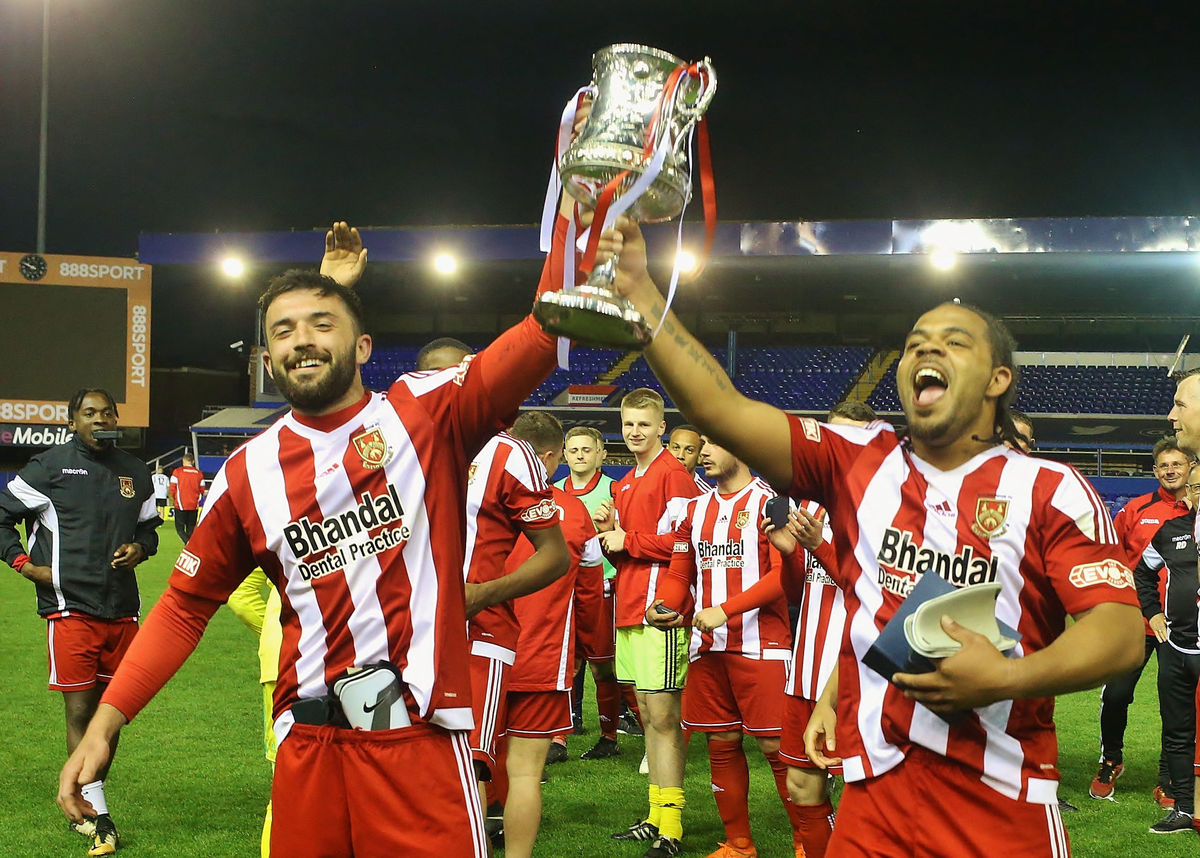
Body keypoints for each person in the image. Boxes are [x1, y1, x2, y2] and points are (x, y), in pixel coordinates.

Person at [596, 216, 1145, 857]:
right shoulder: (856, 458)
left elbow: (1119, 633)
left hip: (997, 799)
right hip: (872, 797)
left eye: (954, 342)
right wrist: (637, 289)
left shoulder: (1050, 488)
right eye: (914, 344)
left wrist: (1002, 678)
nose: (926, 351)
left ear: (999, 380)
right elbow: (720, 409)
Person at [56, 214, 567, 855]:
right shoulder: (248, 473)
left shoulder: (428, 415)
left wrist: (582, 218)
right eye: (284, 331)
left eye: (323, 325)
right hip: (308, 746)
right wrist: (107, 720)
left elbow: (541, 335)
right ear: (268, 361)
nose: (302, 340)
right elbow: (185, 605)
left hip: (419, 744)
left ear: (363, 346)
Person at [413, 336, 570, 819]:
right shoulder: (390, 443)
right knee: (407, 768)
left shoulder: (510, 452)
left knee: (468, 772)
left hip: (475, 636)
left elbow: (556, 556)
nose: (446, 386)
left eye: (457, 374)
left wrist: (483, 594)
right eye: (432, 377)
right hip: (402, 634)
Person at [0, 388, 159, 856]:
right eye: (89, 414)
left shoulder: (134, 472)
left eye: (107, 413)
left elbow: (148, 526)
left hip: (123, 609)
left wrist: (142, 547)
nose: (99, 419)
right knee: (80, 710)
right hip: (69, 608)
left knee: (112, 715)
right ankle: (93, 809)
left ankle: (89, 796)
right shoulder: (50, 467)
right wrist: (25, 566)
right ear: (73, 422)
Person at [648, 435, 796, 858]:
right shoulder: (693, 510)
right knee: (721, 741)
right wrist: (664, 606)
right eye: (702, 444)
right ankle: (739, 844)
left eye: (714, 443)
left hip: (761, 646)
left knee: (775, 746)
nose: (705, 451)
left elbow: (782, 578)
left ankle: (806, 842)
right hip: (708, 647)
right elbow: (680, 575)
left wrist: (725, 610)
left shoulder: (771, 504)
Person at [595, 387, 700, 858]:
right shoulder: (626, 481)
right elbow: (627, 542)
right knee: (647, 713)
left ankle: (672, 827)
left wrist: (625, 538)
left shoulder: (672, 474)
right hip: (630, 607)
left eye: (643, 424)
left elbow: (686, 541)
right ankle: (656, 816)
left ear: (661, 427)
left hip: (661, 611)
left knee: (663, 716)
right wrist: (608, 535)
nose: (634, 432)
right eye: (628, 424)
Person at [503, 411, 603, 858]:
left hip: (479, 654)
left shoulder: (479, 503)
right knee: (525, 773)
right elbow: (590, 593)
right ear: (550, 455)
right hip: (543, 657)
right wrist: (595, 649)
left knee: (464, 764)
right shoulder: (575, 511)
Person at [1089, 437, 1189, 803]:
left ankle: (1169, 778)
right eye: (1164, 465)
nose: (1171, 471)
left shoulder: (1196, 512)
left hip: (1181, 626)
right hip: (1136, 620)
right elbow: (1111, 557)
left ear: (1190, 467)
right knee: (1116, 694)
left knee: (1175, 704)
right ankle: (1111, 760)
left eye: (1177, 464)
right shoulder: (1135, 509)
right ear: (1155, 471)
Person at [1132, 461, 1200, 834]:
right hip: (1177, 647)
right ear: (1189, 494)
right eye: (1198, 489)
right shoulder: (1171, 530)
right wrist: (1152, 613)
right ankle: (1183, 809)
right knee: (1177, 730)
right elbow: (1142, 572)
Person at [554, 425, 626, 759]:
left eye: (587, 449)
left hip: (605, 590)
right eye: (574, 450)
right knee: (563, 663)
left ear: (601, 454)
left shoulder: (616, 491)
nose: (580, 455)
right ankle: (558, 738)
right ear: (563, 454)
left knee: (602, 667)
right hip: (562, 590)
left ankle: (610, 735)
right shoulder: (550, 492)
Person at [168, 452, 204, 543]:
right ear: (193, 461)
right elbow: (202, 490)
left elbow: (172, 488)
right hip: (193, 505)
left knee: (180, 529)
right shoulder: (199, 474)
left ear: (183, 461)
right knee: (191, 528)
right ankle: (190, 546)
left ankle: (189, 544)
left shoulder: (177, 472)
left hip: (181, 505)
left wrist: (175, 499)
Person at [668, 423, 710, 492]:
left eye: (689, 450)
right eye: (676, 448)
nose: (680, 456)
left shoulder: (706, 496)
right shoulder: (649, 485)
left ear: (700, 457)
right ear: (667, 450)